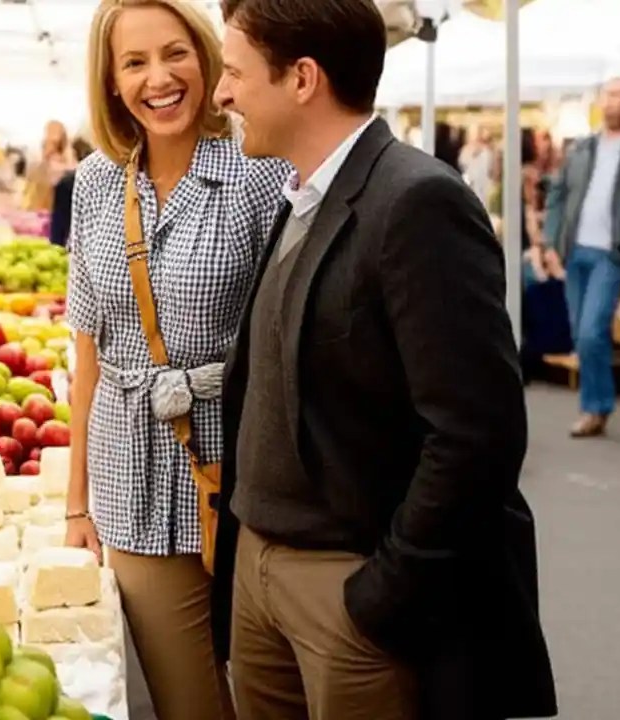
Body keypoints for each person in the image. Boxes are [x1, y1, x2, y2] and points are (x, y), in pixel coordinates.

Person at [212, 1, 557, 719]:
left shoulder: (417, 201)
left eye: (234, 72)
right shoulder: (301, 195)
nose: (222, 93)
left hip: (348, 590)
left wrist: (378, 597)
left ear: (302, 78)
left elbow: (476, 435)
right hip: (261, 570)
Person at [62, 2, 290, 719]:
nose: (158, 79)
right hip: (129, 475)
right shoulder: (97, 183)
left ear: (208, 56)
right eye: (134, 63)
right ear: (110, 80)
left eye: (175, 54)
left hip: (243, 472)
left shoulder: (259, 170)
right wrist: (77, 503)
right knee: (188, 702)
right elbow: (87, 353)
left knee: (267, 697)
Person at [545, 77, 620, 438]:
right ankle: (595, 405)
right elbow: (557, 194)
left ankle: (595, 408)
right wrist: (551, 243)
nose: (615, 101)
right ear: (600, 100)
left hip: (614, 253)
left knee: (591, 331)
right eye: (610, 94)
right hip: (575, 249)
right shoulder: (581, 148)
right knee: (581, 333)